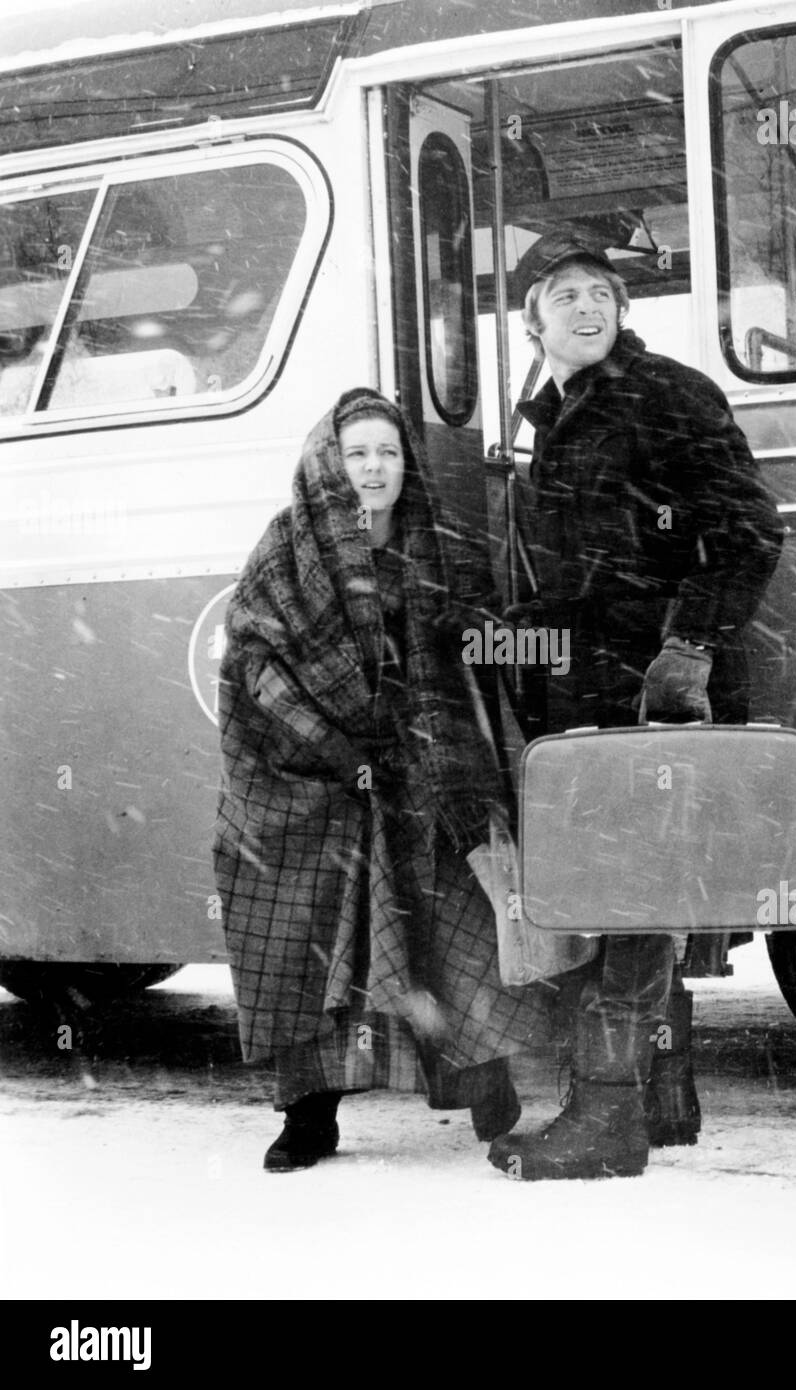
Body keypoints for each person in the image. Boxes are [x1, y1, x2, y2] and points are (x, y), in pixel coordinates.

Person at [486, 231, 784, 1181]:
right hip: (593, 687)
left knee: (632, 891)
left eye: (600, 293)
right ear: (533, 320)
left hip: (655, 686)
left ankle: (606, 1118)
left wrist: (688, 647)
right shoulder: (559, 413)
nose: (585, 307)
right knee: (639, 889)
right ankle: (661, 1092)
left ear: (621, 312)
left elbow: (748, 530)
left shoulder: (667, 393)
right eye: (563, 294)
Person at [214, 387, 549, 1172]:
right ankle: (308, 1115)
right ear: (330, 463)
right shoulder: (286, 546)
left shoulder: (433, 542)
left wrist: (485, 637)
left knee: (454, 923)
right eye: (357, 452)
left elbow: (472, 642)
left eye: (388, 452)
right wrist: (335, 747)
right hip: (314, 777)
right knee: (304, 936)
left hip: (419, 768)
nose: (374, 468)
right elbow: (257, 665)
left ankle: (485, 1080)